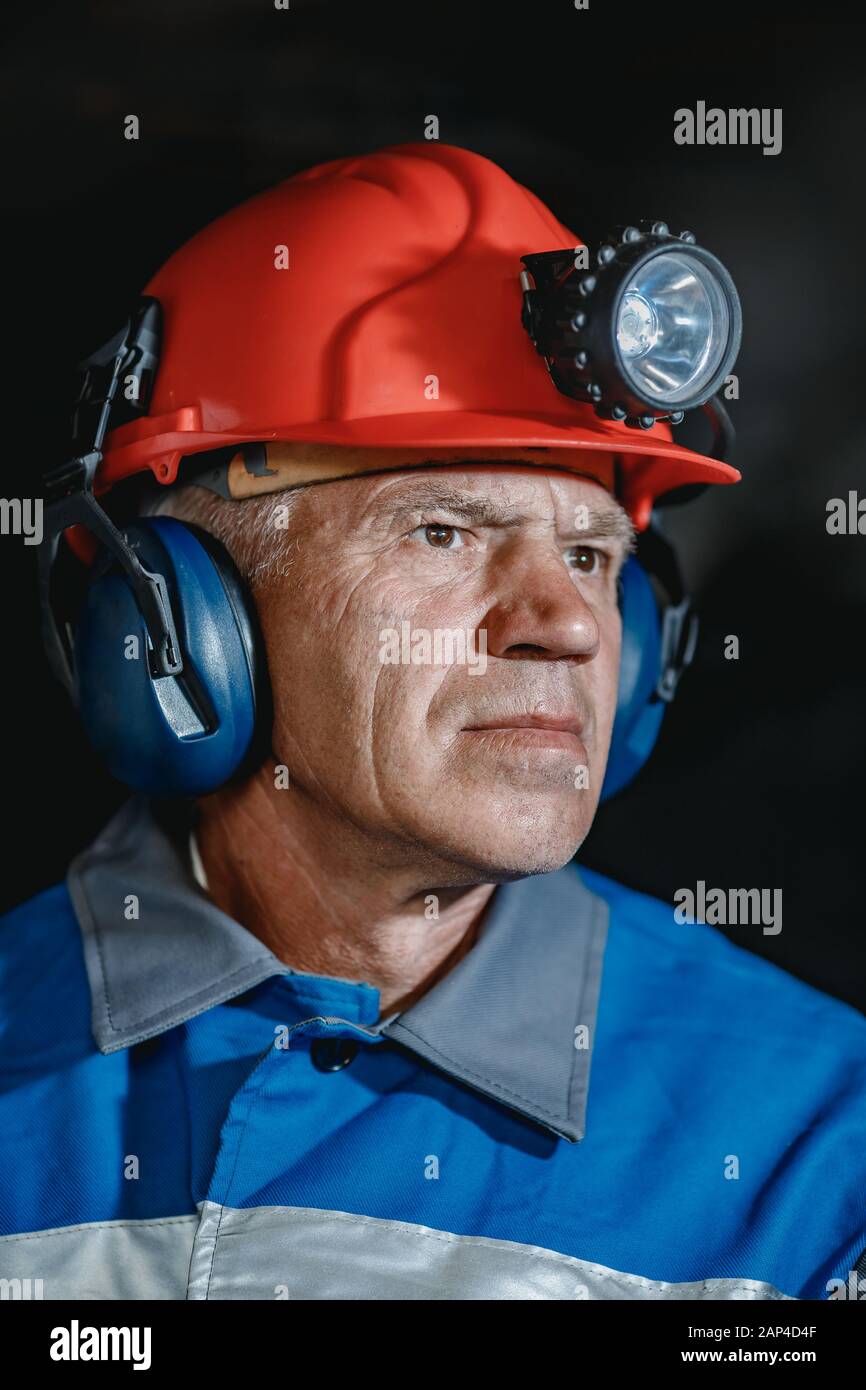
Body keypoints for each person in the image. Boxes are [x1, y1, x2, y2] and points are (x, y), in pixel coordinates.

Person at [2, 143, 864, 1302]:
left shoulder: (820, 1146)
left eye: (589, 554)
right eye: (444, 533)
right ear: (169, 620)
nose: (564, 625)